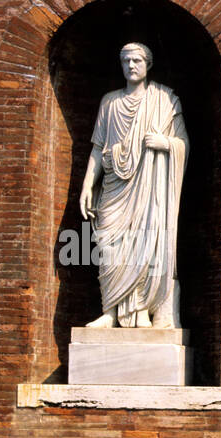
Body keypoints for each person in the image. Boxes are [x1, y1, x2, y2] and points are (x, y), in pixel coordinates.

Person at [78, 41, 188, 329]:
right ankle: (110, 312)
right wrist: (88, 185)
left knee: (146, 245)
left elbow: (183, 143)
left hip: (150, 188)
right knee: (109, 245)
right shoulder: (110, 101)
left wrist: (165, 143)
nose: (131, 66)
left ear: (148, 64)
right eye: (125, 61)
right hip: (115, 185)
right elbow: (97, 147)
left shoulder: (165, 99)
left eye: (136, 60)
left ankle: (142, 310)